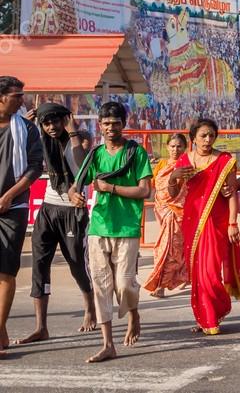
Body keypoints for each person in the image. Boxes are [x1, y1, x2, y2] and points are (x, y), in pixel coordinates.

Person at [67, 101, 152, 363]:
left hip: (126, 227)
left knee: (124, 284)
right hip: (99, 226)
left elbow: (144, 190)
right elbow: (75, 187)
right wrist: (75, 196)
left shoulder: (135, 153)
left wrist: (111, 189)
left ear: (123, 124)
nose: (111, 127)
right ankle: (107, 344)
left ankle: (134, 313)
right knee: (101, 286)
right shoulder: (95, 154)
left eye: (115, 123)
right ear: (100, 126)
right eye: (106, 123)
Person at [15, 102, 95, 345]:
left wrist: (71, 133)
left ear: (65, 119)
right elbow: (16, 149)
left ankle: (90, 307)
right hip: (48, 209)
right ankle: (41, 327)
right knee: (39, 265)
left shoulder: (81, 138)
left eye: (55, 121)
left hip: (73, 211)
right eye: (46, 123)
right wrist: (25, 126)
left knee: (76, 264)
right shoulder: (40, 139)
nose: (51, 127)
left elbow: (82, 168)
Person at [168, 118, 240, 336]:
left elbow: (231, 194)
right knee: (197, 274)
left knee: (211, 273)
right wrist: (174, 177)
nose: (207, 139)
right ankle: (206, 317)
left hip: (217, 222)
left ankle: (216, 309)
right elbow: (174, 194)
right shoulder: (185, 160)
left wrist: (233, 223)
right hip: (192, 222)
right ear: (193, 138)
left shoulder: (224, 161)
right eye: (203, 135)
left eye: (211, 135)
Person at [0, 77, 44, 357]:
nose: (22, 100)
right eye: (16, 96)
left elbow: (34, 168)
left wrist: (7, 197)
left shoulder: (27, 129)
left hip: (12, 209)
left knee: (5, 270)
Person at [143, 133, 189, 298]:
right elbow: (154, 187)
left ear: (185, 148)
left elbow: (185, 192)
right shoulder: (161, 164)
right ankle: (185, 275)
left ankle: (160, 285)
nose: (175, 150)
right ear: (167, 147)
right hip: (161, 212)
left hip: (176, 213)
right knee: (172, 250)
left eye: (179, 146)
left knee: (167, 250)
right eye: (172, 146)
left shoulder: (187, 166)